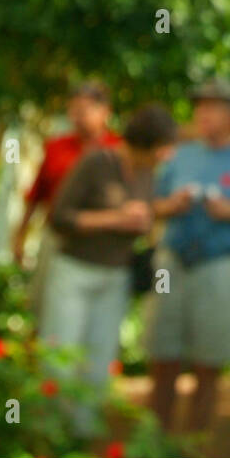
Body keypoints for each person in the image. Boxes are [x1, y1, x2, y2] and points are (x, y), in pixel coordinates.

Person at [41, 103, 179, 436]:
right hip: (74, 272)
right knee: (58, 361)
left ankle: (81, 439)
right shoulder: (96, 162)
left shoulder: (147, 172)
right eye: (161, 147)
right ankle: (47, 438)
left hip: (115, 276)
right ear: (145, 142)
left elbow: (142, 217)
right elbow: (59, 218)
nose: (165, 156)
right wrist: (116, 218)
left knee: (98, 367)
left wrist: (147, 218)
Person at [147, 80, 230, 433]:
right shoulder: (178, 155)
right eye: (199, 106)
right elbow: (150, 207)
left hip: (220, 264)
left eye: (212, 106)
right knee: (163, 356)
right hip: (172, 262)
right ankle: (155, 444)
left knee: (209, 362)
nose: (202, 113)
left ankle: (195, 443)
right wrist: (171, 206)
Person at [12, 82, 121, 323]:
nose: (78, 117)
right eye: (73, 110)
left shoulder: (119, 150)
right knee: (44, 306)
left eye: (84, 110)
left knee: (91, 316)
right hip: (57, 237)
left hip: (100, 244)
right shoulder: (56, 147)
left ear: (105, 111)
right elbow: (35, 195)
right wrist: (20, 235)